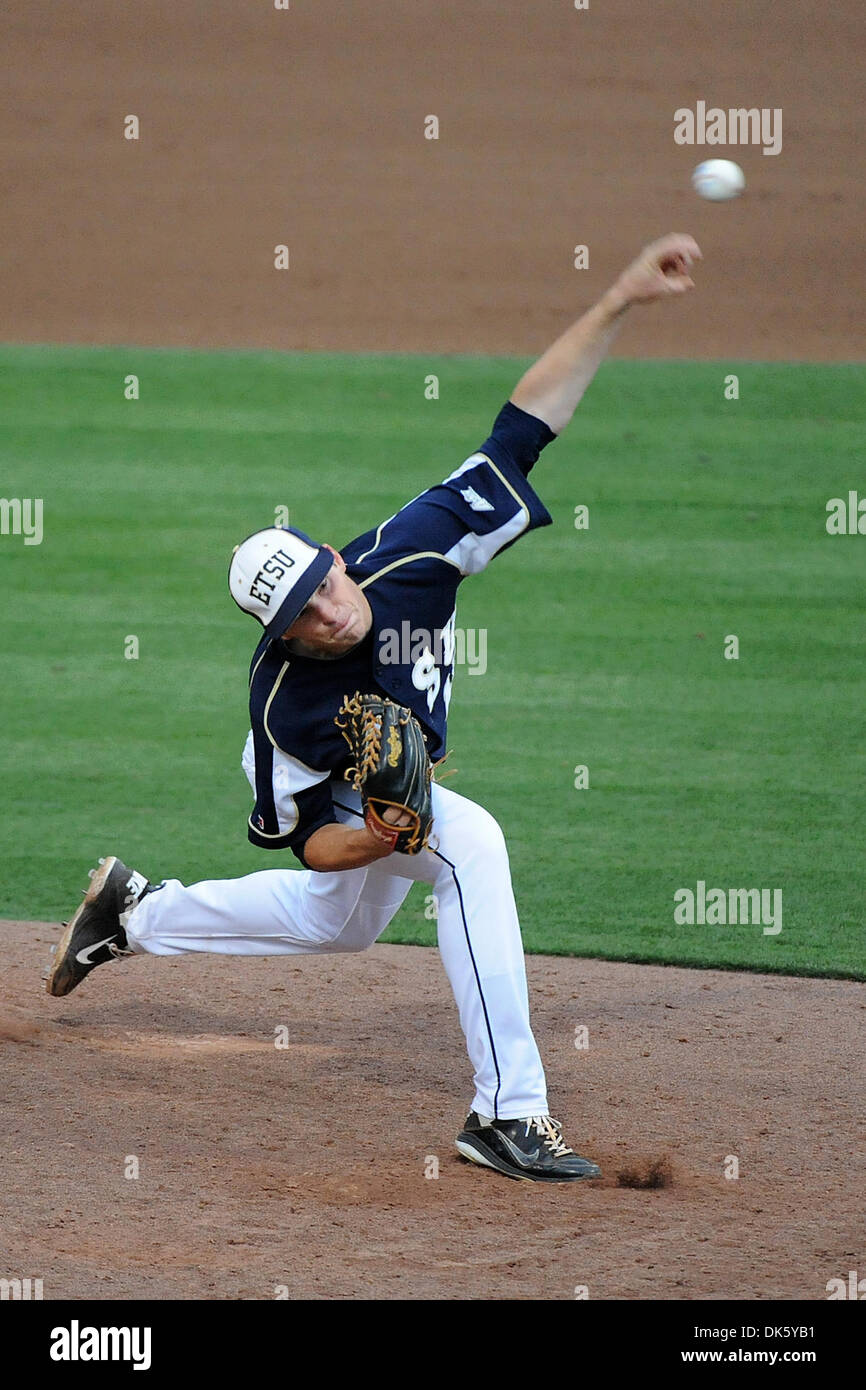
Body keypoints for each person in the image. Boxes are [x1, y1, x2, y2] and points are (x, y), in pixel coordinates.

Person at [46, 233, 701, 1183]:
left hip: (388, 786)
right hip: (334, 796)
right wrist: (392, 830)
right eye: (298, 614)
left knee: (337, 929)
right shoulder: (282, 703)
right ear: (278, 634)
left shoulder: (411, 551)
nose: (327, 609)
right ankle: (506, 1113)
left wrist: (618, 301)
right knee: (468, 849)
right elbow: (310, 838)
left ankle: (131, 913)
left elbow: (523, 428)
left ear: (338, 559)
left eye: (323, 582)